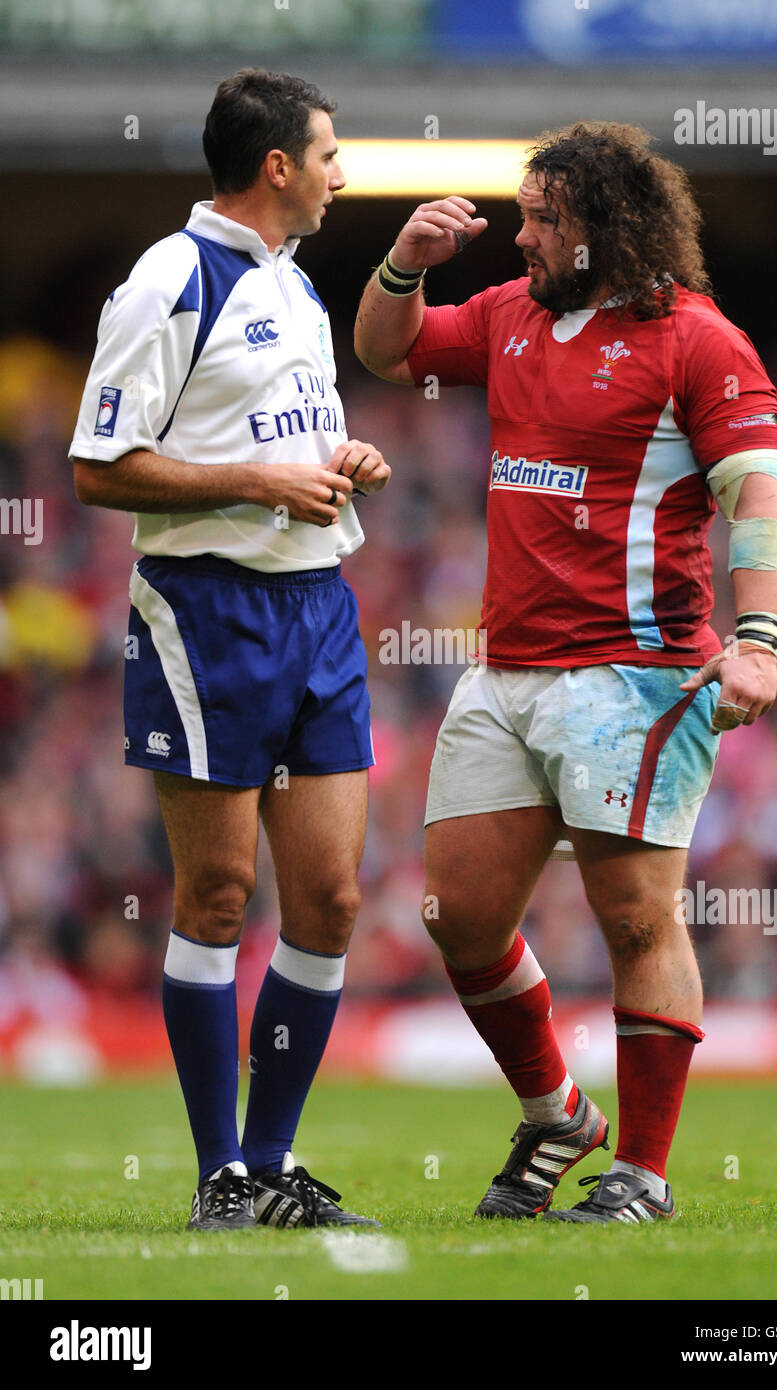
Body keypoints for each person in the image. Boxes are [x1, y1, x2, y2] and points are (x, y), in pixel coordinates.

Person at [354, 121, 777, 1224]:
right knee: (455, 915)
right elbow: (381, 348)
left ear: (602, 229)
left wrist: (756, 639)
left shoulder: (699, 342)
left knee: (636, 920)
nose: (520, 235)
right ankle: (555, 1110)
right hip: (504, 671)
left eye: (542, 218)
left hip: (633, 675)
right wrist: (403, 261)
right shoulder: (507, 314)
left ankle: (640, 1173)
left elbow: (761, 496)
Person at [70, 68, 390, 1231]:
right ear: (275, 167)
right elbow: (98, 465)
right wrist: (259, 482)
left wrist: (340, 459)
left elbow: (275, 438)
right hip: (207, 614)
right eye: (327, 151)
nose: (339, 171)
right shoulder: (171, 277)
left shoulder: (295, 288)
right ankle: (221, 1178)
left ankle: (272, 1159)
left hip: (318, 610)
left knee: (333, 899)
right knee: (215, 895)